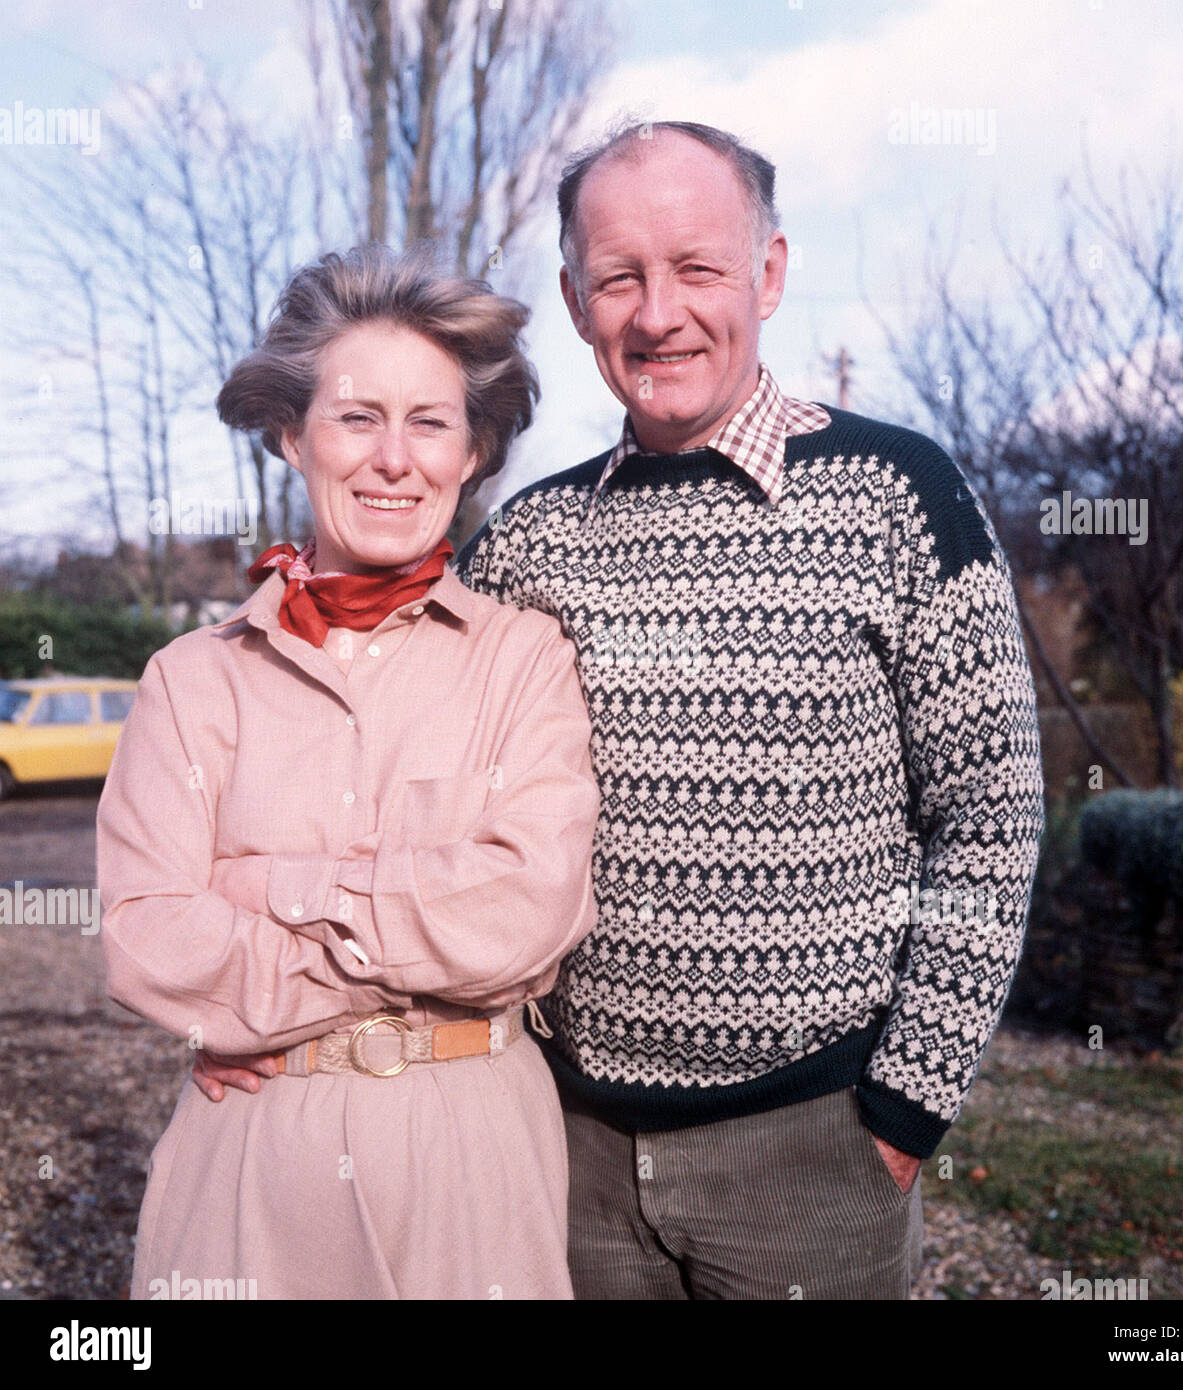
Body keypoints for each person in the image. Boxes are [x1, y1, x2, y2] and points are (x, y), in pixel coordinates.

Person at [200, 120, 1047, 1301]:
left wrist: (908, 1102)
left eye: (697, 268)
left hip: (812, 1153)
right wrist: (248, 1005)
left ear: (770, 271)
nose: (659, 314)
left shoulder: (901, 495)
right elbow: (385, 797)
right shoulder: (528, 540)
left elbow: (991, 816)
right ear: (574, 296)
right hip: (562, 1148)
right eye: (619, 278)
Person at [97, 244, 600, 1300]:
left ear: (472, 453)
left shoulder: (523, 658)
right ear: (293, 433)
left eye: (429, 423)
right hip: (252, 1149)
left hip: (474, 1149)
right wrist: (422, 928)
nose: (393, 459)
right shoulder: (191, 681)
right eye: (356, 416)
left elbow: (527, 910)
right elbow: (149, 939)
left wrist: (272, 893)